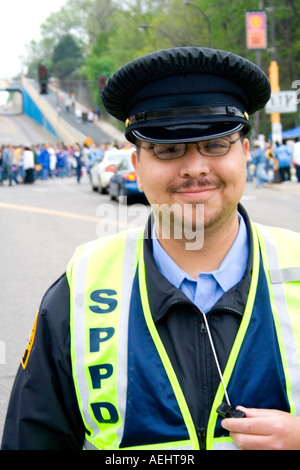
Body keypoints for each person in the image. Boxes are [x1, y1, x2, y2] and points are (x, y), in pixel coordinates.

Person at [2, 47, 300, 452]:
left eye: (215, 144)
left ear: (245, 155)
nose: (195, 167)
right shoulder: (78, 293)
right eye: (168, 148)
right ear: (137, 165)